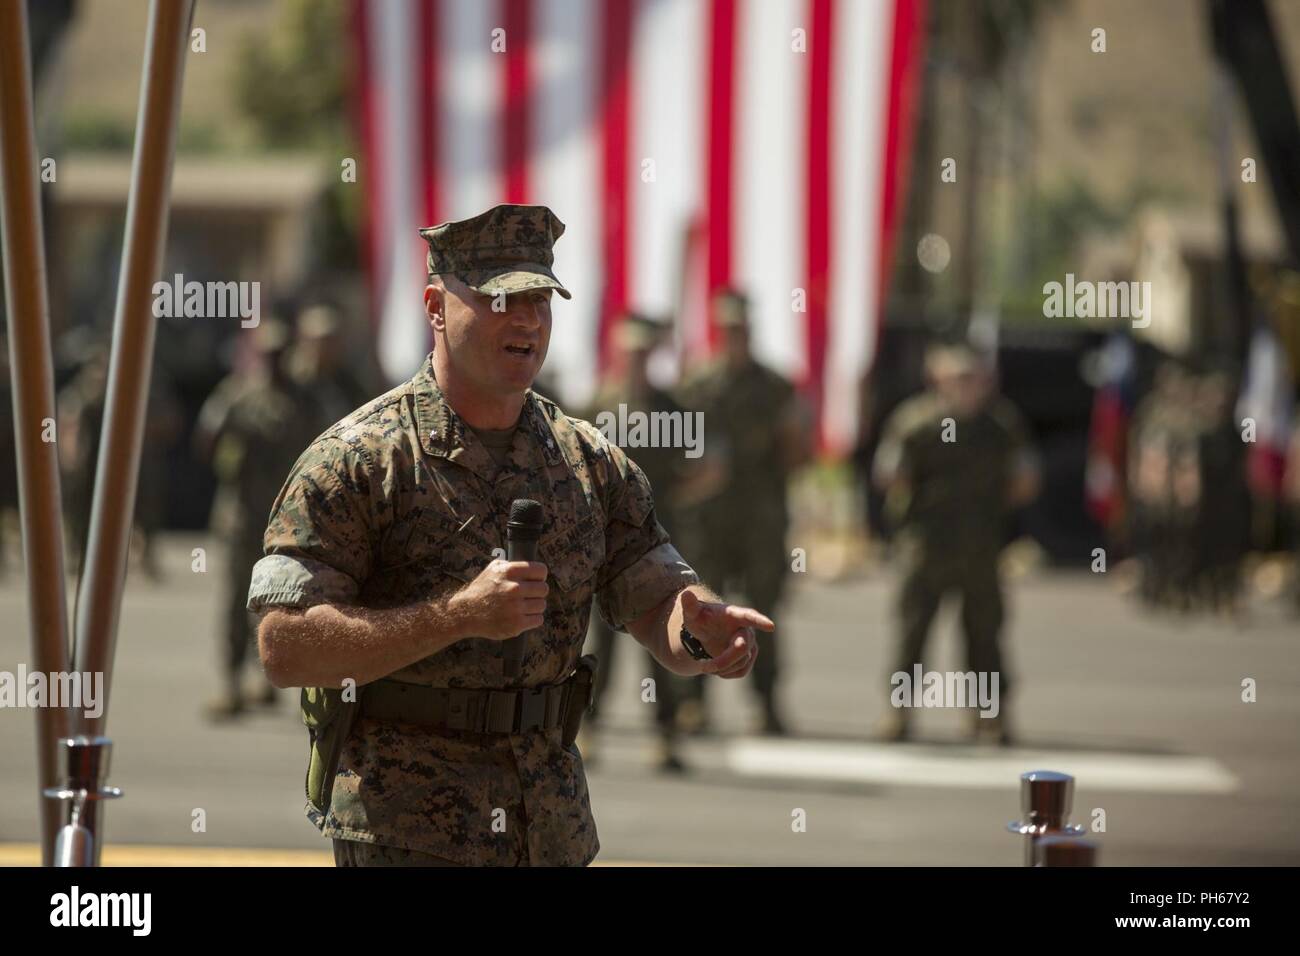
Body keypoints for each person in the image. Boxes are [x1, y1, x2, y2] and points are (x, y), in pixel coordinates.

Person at [247, 204, 773, 867]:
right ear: (436, 306)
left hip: (548, 827)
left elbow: (651, 594)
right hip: (408, 832)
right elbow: (284, 646)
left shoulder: (586, 460)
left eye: (540, 299)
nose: (527, 318)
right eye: (501, 298)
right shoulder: (357, 462)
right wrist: (456, 617)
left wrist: (692, 627)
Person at [871, 342, 1039, 745]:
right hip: (925, 547)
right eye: (959, 378)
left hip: (980, 550)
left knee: (984, 635)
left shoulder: (1000, 425)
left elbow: (1025, 481)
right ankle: (900, 712)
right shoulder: (916, 422)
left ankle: (989, 716)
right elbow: (888, 475)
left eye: (975, 378)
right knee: (912, 633)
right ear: (940, 380)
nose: (969, 386)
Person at [675, 290, 812, 735]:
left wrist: (793, 439)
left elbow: (798, 455)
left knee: (765, 612)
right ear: (719, 331)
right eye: (729, 329)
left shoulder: (775, 387)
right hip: (709, 520)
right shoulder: (696, 384)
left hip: (761, 519)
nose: (736, 337)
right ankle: (693, 704)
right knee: (702, 612)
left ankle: (768, 703)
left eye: (743, 329)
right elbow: (678, 450)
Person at [579, 312, 697, 771]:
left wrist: (667, 503)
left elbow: (706, 465)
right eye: (630, 352)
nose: (637, 360)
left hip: (655, 546)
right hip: (604, 547)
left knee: (664, 640)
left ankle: (666, 736)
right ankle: (587, 730)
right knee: (597, 645)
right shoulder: (597, 405)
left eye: (644, 352)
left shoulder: (671, 408)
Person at [195, 319, 326, 719]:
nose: (273, 362)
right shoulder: (239, 393)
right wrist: (230, 461)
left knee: (280, 598)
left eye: (279, 354)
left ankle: (264, 676)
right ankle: (232, 680)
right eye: (267, 354)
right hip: (241, 514)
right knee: (237, 596)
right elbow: (207, 435)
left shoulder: (306, 399)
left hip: (286, 518)